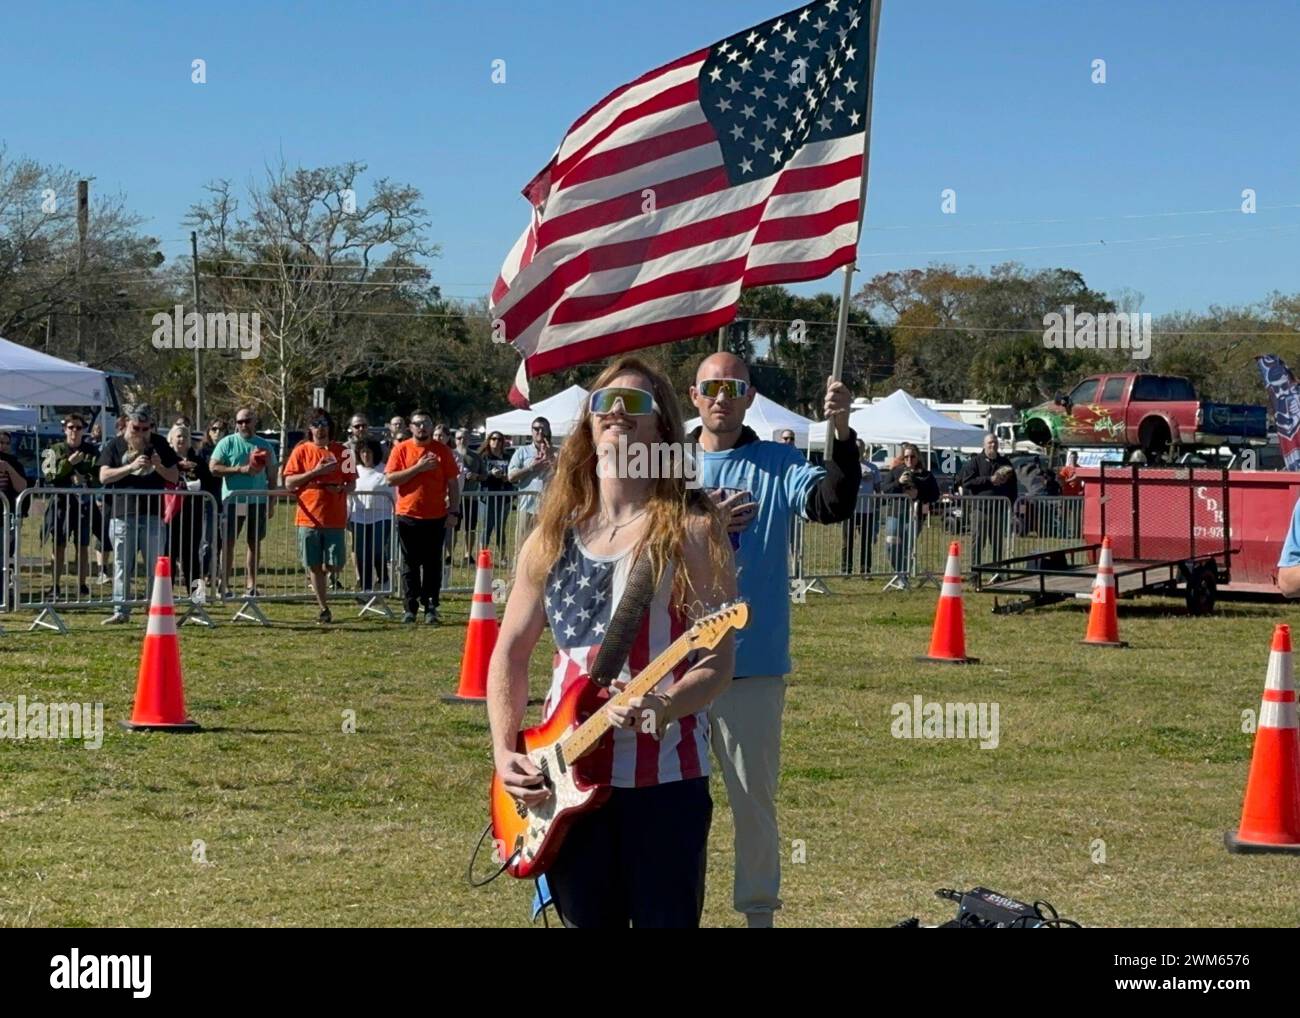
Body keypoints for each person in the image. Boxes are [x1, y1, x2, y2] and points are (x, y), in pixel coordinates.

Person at [488, 356, 736, 928]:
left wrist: (666, 705)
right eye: (606, 403)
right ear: (589, 424)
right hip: (565, 780)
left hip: (665, 782)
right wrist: (505, 751)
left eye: (637, 404)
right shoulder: (551, 536)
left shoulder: (693, 530)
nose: (619, 413)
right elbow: (510, 654)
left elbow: (718, 663)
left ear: (662, 430)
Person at [689, 353, 859, 928]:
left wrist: (839, 433)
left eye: (733, 387)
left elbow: (831, 503)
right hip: (667, 666)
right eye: (711, 387)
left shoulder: (777, 462)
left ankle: (758, 914)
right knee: (672, 808)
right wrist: (695, 516)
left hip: (750, 666)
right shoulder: (666, 467)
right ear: (693, 396)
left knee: (751, 803)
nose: (721, 397)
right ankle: (669, 911)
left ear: (748, 397)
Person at [97, 405, 180, 624]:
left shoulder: (160, 443)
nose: (141, 433)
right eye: (137, 427)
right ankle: (120, 610)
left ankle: (155, 609)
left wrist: (159, 466)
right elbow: (103, 476)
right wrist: (131, 466)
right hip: (123, 514)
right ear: (126, 424)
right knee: (123, 565)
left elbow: (174, 475)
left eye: (146, 428)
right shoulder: (114, 445)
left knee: (156, 565)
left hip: (153, 514)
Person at [385, 410, 459, 624]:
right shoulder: (401, 449)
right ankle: (410, 607)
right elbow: (391, 479)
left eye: (426, 423)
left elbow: (453, 483)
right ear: (410, 427)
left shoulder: (442, 451)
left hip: (436, 516)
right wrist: (418, 468)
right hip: (408, 515)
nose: (422, 427)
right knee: (410, 563)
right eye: (417, 424)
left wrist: (454, 510)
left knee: (433, 564)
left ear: (432, 425)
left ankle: (431, 606)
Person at [284, 408, 356, 624]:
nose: (321, 427)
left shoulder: (344, 452)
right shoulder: (301, 451)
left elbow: (352, 482)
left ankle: (322, 578)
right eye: (316, 424)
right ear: (310, 428)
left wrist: (341, 488)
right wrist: (316, 472)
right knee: (314, 565)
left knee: (336, 564)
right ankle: (323, 607)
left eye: (324, 423)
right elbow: (289, 483)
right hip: (308, 517)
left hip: (334, 517)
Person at [209, 409, 278, 598]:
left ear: (255, 421)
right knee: (229, 542)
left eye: (247, 421)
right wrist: (240, 469)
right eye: (240, 422)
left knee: (254, 542)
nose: (243, 425)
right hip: (234, 501)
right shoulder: (227, 442)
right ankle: (225, 584)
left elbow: (272, 476)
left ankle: (251, 585)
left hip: (258, 501)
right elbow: (213, 467)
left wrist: (271, 502)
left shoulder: (265, 445)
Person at [41, 413, 99, 598]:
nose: (74, 431)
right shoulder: (53, 449)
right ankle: (55, 586)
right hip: (60, 504)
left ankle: (82, 585)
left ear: (84, 430)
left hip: (83, 504)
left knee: (82, 545)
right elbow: (49, 476)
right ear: (64, 429)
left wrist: (85, 478)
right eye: (71, 427)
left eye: (79, 427)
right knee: (58, 545)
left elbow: (99, 476)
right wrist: (68, 464)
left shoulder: (91, 450)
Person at [880, 443, 940, 582]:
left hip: (915, 515)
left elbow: (935, 495)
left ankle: (903, 577)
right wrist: (899, 483)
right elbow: (885, 489)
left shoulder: (926, 475)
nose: (909, 459)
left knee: (907, 547)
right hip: (895, 513)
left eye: (912, 456)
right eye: (906, 456)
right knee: (891, 545)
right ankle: (901, 572)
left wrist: (919, 493)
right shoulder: (896, 471)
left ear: (918, 457)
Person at [956, 432, 1018, 567]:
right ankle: (975, 574)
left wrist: (1011, 504)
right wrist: (990, 479)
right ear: (984, 445)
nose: (993, 445)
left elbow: (1013, 486)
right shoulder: (975, 462)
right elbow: (967, 482)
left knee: (997, 544)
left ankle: (998, 573)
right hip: (980, 510)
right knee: (977, 542)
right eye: (990, 442)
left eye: (995, 442)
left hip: (999, 510)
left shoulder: (1004, 462)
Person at [166, 423, 208, 595]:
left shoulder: (198, 461)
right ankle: (166, 594)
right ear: (171, 440)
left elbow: (209, 482)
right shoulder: (166, 461)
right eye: (178, 436)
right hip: (171, 515)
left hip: (193, 514)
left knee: (192, 557)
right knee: (169, 554)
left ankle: (197, 597)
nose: (182, 439)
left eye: (185, 436)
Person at [348, 439, 393, 593]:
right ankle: (365, 587)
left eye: (369, 452)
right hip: (359, 517)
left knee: (377, 550)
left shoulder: (384, 470)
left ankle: (383, 579)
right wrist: (347, 515)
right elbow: (349, 495)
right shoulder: (356, 471)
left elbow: (393, 494)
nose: (366, 455)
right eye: (363, 452)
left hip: (381, 516)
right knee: (361, 552)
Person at [508, 416, 553, 540]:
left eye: (543, 429)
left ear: (548, 431)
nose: (540, 432)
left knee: (546, 546)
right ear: (531, 431)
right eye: (536, 428)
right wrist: (531, 467)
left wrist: (551, 457)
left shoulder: (556, 452)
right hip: (527, 508)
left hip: (549, 509)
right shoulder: (522, 452)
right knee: (522, 546)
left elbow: (564, 476)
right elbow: (511, 476)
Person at [842, 439, 882, 575]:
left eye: (860, 447)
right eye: (856, 447)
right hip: (850, 510)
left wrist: (877, 507)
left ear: (864, 449)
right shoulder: (846, 466)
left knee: (866, 542)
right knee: (847, 541)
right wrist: (859, 477)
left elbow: (878, 488)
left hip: (867, 510)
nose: (858, 449)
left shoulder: (872, 467)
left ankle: (865, 570)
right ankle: (846, 569)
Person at [0, 430, 27, 609]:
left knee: (4, 558)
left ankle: (3, 596)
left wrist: (8, 468)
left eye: (6, 443)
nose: (3, 446)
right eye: (0, 442)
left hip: (6, 517)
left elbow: (22, 487)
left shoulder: (14, 463)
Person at [479, 431, 513, 556]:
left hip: (504, 496)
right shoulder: (483, 457)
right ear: (489, 440)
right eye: (493, 439)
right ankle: (482, 556)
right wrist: (490, 474)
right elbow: (479, 476)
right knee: (486, 527)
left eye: (499, 439)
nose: (496, 442)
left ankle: (503, 556)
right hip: (487, 496)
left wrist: (507, 477)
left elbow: (513, 474)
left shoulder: (508, 457)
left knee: (500, 528)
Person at [453, 428, 483, 564]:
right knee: (453, 528)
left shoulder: (476, 456)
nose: (462, 440)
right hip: (454, 497)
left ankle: (467, 555)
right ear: (455, 439)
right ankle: (449, 555)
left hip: (472, 498)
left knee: (470, 528)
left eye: (464, 438)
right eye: (459, 438)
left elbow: (485, 475)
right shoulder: (450, 455)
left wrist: (476, 476)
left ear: (469, 439)